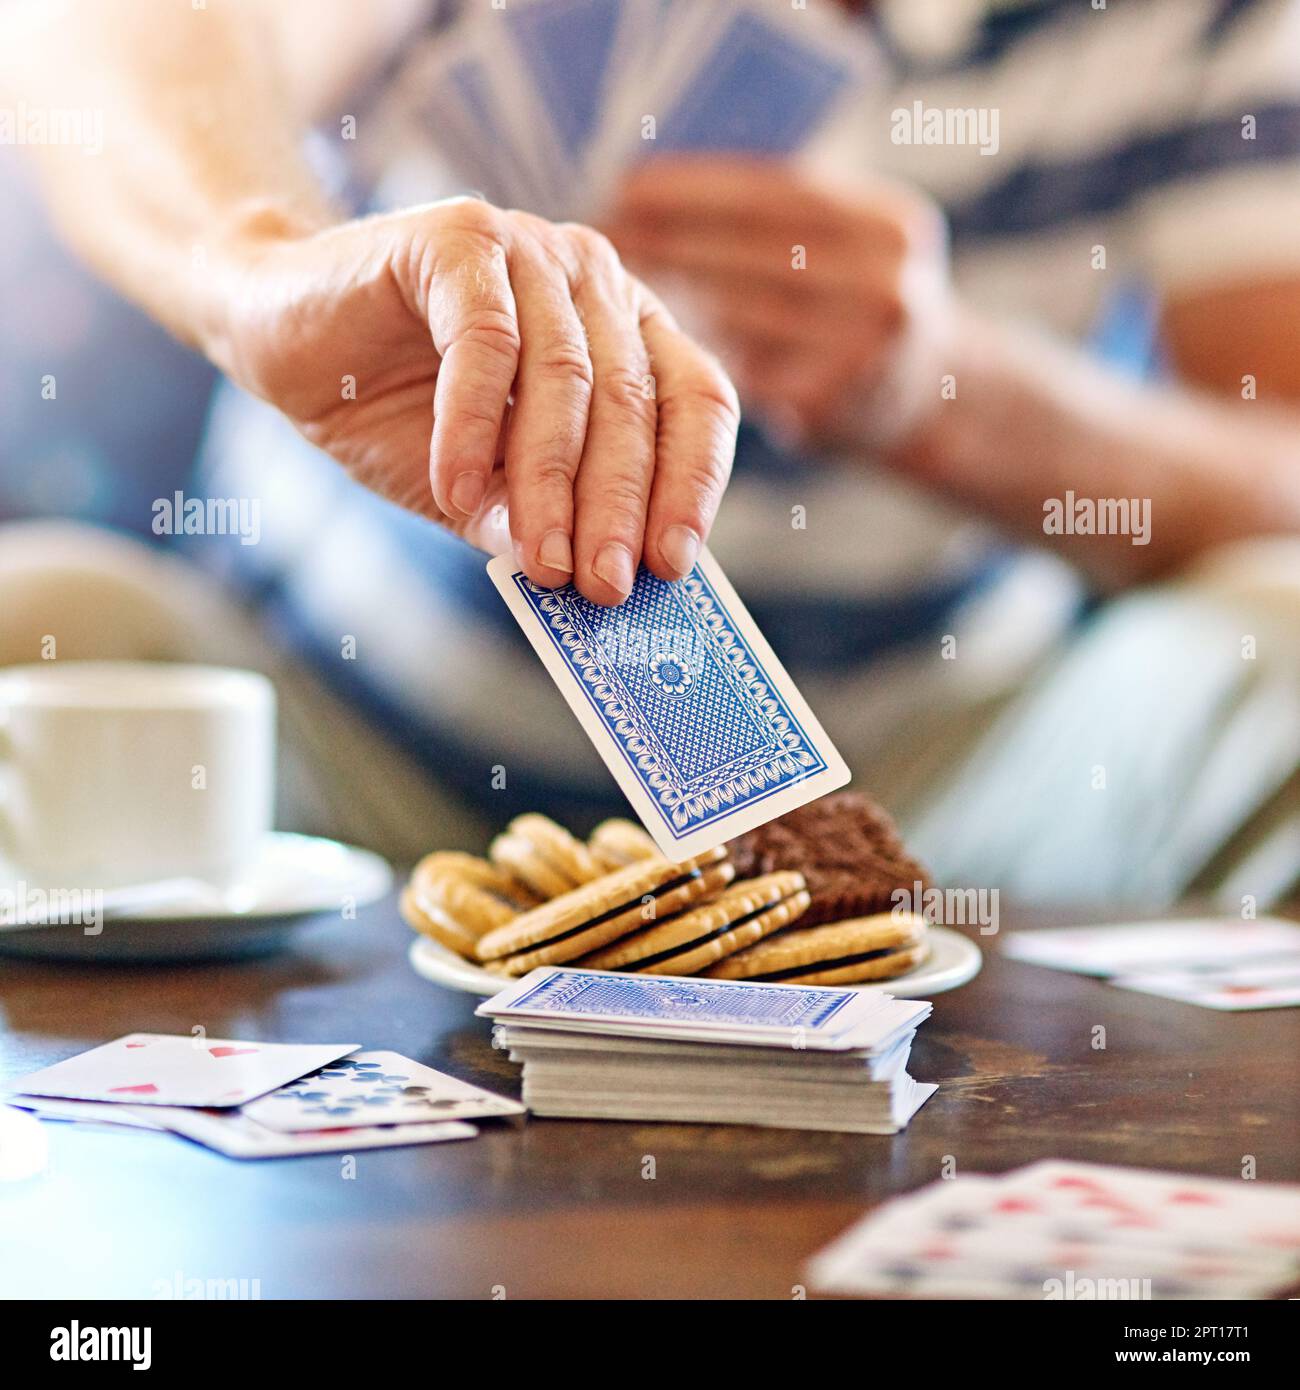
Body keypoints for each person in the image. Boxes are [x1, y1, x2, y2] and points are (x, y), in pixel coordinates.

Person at [5, 0, 1299, 909]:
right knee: (40, 620)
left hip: (934, 799)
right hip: (342, 751)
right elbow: (102, 36)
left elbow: (1278, 467)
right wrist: (261, 273)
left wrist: (949, 391)